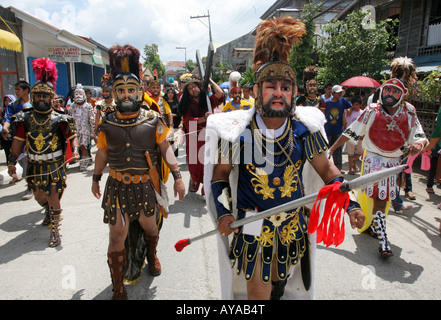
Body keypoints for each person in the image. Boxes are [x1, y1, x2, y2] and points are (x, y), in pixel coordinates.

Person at [204, 16, 364, 300]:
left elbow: (328, 170)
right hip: (252, 227)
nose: (279, 93)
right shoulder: (237, 133)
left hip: (292, 227)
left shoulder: (304, 131)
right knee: (258, 295)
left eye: (285, 87)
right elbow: (219, 175)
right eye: (271, 86)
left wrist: (350, 204)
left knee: (279, 285)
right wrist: (225, 212)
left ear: (293, 94)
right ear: (256, 91)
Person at [91, 44, 185, 300]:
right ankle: (118, 288)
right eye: (120, 90)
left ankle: (151, 254)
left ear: (140, 91)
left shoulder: (153, 119)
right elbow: (102, 154)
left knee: (150, 227)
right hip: (117, 187)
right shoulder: (107, 122)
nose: (126, 94)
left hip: (145, 186)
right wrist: (96, 177)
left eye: (131, 89)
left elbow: (165, 149)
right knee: (116, 236)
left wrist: (177, 178)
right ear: (114, 93)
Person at [328, 57, 428, 258]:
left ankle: (379, 233)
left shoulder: (409, 112)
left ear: (403, 94)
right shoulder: (373, 110)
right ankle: (383, 239)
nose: (390, 94)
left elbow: (420, 136)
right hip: (373, 161)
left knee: (382, 200)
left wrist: (417, 145)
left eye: (395, 91)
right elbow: (352, 131)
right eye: (388, 90)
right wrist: (332, 148)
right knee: (378, 199)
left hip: (393, 164)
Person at [7, 57, 80, 247]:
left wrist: (77, 150)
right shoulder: (25, 118)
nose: (41, 99)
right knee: (40, 196)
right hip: (35, 164)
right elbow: (17, 142)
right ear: (33, 98)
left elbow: (72, 136)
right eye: (37, 96)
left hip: (54, 164)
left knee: (53, 195)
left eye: (44, 97)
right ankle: (47, 210)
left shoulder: (60, 118)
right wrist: (11, 162)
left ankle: (55, 231)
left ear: (50, 98)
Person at [177, 73, 224, 194]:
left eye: (195, 86)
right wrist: (204, 118)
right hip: (194, 136)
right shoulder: (186, 104)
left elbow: (219, 94)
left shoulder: (206, 100)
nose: (193, 89)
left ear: (199, 87)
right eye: (190, 88)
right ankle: (194, 180)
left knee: (209, 163)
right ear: (187, 92)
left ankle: (207, 187)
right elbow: (188, 121)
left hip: (208, 135)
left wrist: (210, 80)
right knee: (194, 164)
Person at [2, 81, 34, 198]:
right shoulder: (13, 106)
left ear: (26, 91)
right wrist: (5, 128)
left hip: (35, 139)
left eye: (18, 89)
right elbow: (8, 119)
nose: (16, 92)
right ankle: (30, 186)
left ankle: (32, 186)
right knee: (25, 163)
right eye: (15, 89)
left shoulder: (35, 104)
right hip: (20, 140)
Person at [324, 85, 352, 172]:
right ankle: (325, 168)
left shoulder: (343, 101)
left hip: (338, 129)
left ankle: (338, 168)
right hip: (327, 130)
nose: (340, 94)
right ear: (333, 93)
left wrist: (346, 114)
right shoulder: (326, 103)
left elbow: (350, 107)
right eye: (338, 92)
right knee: (326, 150)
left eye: (341, 92)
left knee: (338, 150)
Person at [68, 84, 95, 171]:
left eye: (80, 94)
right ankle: (86, 159)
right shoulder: (72, 107)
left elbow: (92, 120)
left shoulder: (88, 106)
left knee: (83, 146)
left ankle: (84, 163)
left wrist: (92, 132)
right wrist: (71, 131)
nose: (78, 96)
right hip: (75, 130)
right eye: (76, 94)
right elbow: (70, 119)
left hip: (85, 130)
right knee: (76, 146)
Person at [343, 95, 363, 174]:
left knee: (360, 151)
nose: (356, 106)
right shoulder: (348, 112)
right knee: (350, 152)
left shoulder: (362, 112)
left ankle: (354, 162)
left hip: (359, 134)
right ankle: (350, 168)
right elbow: (345, 122)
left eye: (358, 104)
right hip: (350, 133)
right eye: (355, 104)